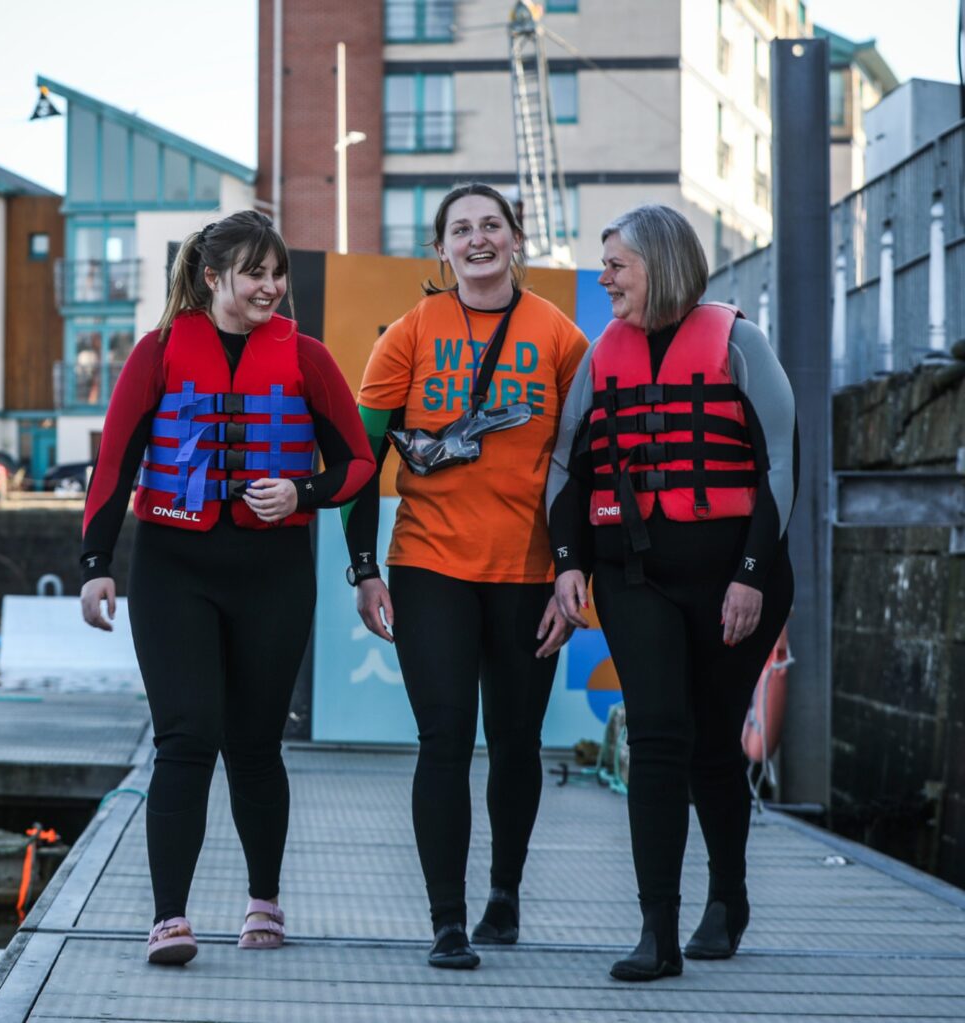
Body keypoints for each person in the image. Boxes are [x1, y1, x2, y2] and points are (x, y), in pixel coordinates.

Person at [79, 209, 375, 966]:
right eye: (254, 273)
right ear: (212, 277)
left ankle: (263, 901)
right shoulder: (157, 353)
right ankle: (169, 918)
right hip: (174, 569)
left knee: (253, 744)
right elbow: (113, 465)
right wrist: (95, 564)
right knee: (185, 739)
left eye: (277, 273)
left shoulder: (307, 358)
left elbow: (358, 464)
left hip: (272, 574)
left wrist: (302, 493)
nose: (271, 287)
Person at [546, 203, 797, 982]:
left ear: (662, 262)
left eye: (617, 262)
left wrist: (751, 575)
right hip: (635, 577)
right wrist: (567, 561)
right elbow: (566, 468)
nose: (605, 277)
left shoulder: (739, 342)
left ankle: (727, 898)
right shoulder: (600, 357)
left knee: (714, 743)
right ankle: (657, 930)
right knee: (657, 734)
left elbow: (781, 464)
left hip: (735, 578)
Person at [342, 183, 589, 970]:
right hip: (429, 566)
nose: (477, 239)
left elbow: (583, 469)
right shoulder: (408, 333)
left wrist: (570, 571)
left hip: (526, 574)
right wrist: (364, 569)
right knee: (443, 739)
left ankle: (504, 896)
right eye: (461, 229)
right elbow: (361, 461)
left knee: (516, 744)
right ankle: (446, 919)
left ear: (516, 239)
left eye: (491, 226)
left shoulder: (561, 337)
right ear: (441, 249)